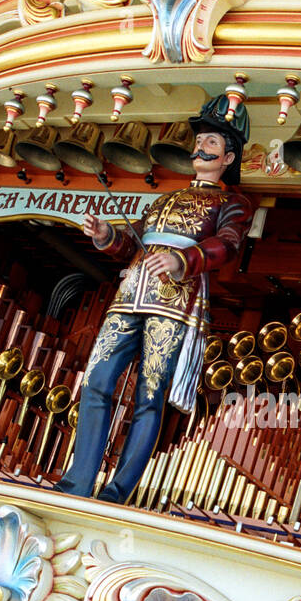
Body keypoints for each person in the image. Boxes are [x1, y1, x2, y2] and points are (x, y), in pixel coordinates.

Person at [57, 94, 254, 502]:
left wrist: (182, 259)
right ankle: (77, 480)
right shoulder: (162, 199)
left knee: (149, 397)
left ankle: (119, 490)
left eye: (212, 143)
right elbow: (134, 248)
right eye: (200, 141)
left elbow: (229, 244)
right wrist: (106, 237)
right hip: (129, 294)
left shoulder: (233, 202)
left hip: (174, 301)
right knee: (97, 382)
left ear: (228, 158)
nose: (201, 147)